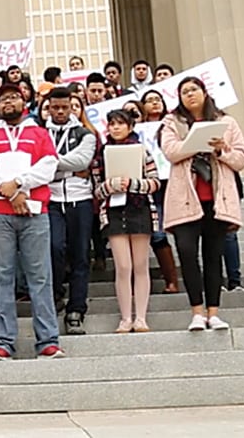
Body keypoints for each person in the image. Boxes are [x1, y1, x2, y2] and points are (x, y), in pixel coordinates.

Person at [0, 82, 65, 360]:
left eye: (13, 97)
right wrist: (10, 193)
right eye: (3, 99)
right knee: (1, 276)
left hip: (35, 212)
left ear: (24, 100)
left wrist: (18, 184)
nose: (8, 102)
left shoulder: (38, 133)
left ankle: (48, 339)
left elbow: (48, 166)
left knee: (40, 276)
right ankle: (3, 341)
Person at [160, 77, 244, 331]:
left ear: (204, 92)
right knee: (187, 253)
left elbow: (241, 158)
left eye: (194, 89)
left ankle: (214, 312)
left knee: (213, 255)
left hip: (216, 200)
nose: (190, 95)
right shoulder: (171, 122)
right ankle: (196, 311)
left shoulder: (226, 122)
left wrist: (221, 150)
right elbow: (171, 152)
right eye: (184, 91)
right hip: (185, 199)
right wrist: (197, 142)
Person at [96, 110, 161, 333]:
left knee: (140, 265)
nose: (115, 128)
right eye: (112, 123)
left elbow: (154, 182)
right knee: (123, 266)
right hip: (113, 211)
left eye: (120, 124)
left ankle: (140, 317)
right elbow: (96, 189)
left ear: (131, 126)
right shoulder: (102, 154)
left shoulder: (142, 150)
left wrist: (132, 183)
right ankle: (125, 317)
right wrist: (110, 185)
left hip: (139, 208)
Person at [44, 87, 97, 335]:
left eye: (65, 107)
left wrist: (51, 165)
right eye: (56, 107)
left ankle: (77, 309)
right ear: (49, 107)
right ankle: (55, 296)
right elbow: (37, 164)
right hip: (51, 200)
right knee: (54, 248)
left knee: (80, 255)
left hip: (80, 199)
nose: (61, 111)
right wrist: (64, 168)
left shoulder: (85, 134)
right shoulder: (40, 133)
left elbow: (82, 161)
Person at [140, 90, 179, 294]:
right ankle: (170, 280)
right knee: (157, 233)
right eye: (149, 101)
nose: (154, 104)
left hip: (174, 182)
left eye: (157, 100)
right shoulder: (138, 131)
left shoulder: (174, 125)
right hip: (150, 186)